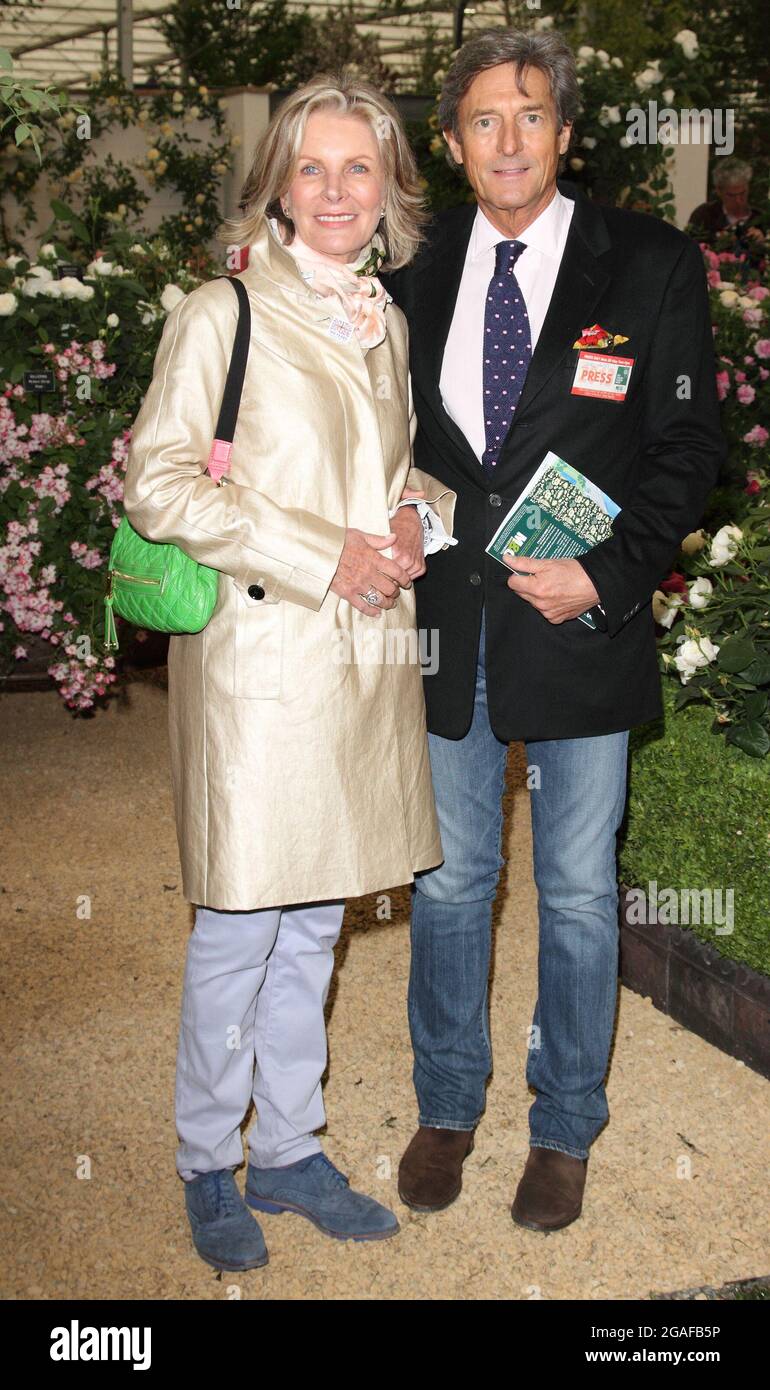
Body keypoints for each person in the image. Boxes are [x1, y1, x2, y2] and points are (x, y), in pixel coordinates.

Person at [381, 28, 725, 1232]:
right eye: (483, 119)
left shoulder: (648, 262)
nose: (508, 139)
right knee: (448, 883)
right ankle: (445, 1103)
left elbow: (688, 453)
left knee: (577, 892)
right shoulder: (409, 275)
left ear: (564, 132)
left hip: (582, 626)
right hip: (452, 627)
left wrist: (607, 575)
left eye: (530, 115)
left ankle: (565, 1121)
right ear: (456, 142)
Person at [122, 73, 456, 1272]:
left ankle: (293, 1147)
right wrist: (325, 553)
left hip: (361, 659)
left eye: (355, 168)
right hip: (262, 662)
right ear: (276, 184)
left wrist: (422, 518)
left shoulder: (383, 318)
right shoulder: (221, 311)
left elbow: (395, 470)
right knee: (238, 922)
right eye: (309, 168)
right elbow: (159, 483)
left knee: (316, 917)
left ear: (388, 191)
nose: (332, 190)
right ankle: (209, 1158)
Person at [687, 157, 766, 256]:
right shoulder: (704, 216)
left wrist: (763, 243)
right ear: (719, 191)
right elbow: (690, 252)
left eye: (743, 193)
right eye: (731, 195)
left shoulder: (761, 219)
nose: (738, 200)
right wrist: (718, 241)